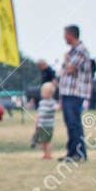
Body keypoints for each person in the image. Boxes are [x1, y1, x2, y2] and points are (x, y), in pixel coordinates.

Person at [57, 24, 92, 162]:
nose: (64, 37)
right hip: (68, 92)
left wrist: (66, 59)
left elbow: (70, 69)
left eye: (65, 34)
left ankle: (77, 153)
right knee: (71, 123)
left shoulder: (80, 51)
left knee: (74, 123)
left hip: (75, 93)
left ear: (71, 35)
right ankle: (74, 153)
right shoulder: (73, 51)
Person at [34, 81, 58, 161]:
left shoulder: (52, 102)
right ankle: (45, 154)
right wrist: (37, 123)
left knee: (47, 141)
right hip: (41, 125)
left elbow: (56, 107)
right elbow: (39, 114)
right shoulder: (41, 103)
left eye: (44, 92)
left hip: (49, 126)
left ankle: (48, 155)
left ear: (50, 94)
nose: (42, 94)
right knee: (43, 141)